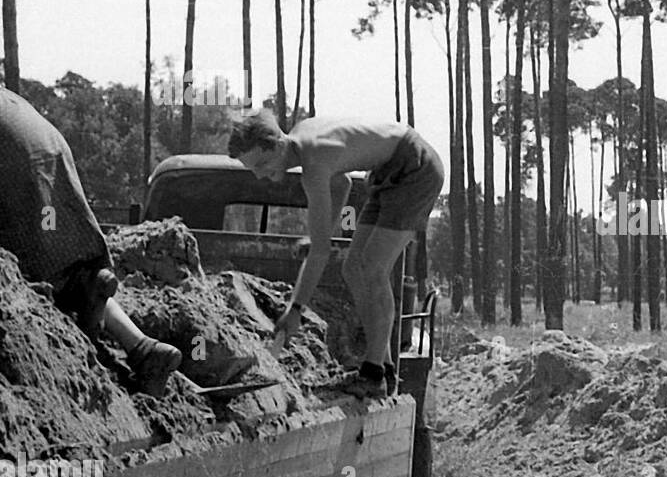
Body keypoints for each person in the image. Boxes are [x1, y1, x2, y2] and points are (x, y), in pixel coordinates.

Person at [227, 109, 444, 398]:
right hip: (384, 173)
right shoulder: (303, 140)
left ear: (278, 143)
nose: (260, 175)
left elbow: (320, 253)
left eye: (263, 164)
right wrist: (324, 231)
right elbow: (343, 183)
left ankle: (373, 374)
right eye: (252, 169)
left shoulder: (313, 163)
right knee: (352, 269)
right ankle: (384, 368)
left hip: (415, 168)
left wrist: (295, 310)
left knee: (373, 268)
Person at [0, 86, 182, 396]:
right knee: (66, 257)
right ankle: (142, 346)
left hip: (14, 164)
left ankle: (72, 344)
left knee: (25, 272)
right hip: (50, 150)